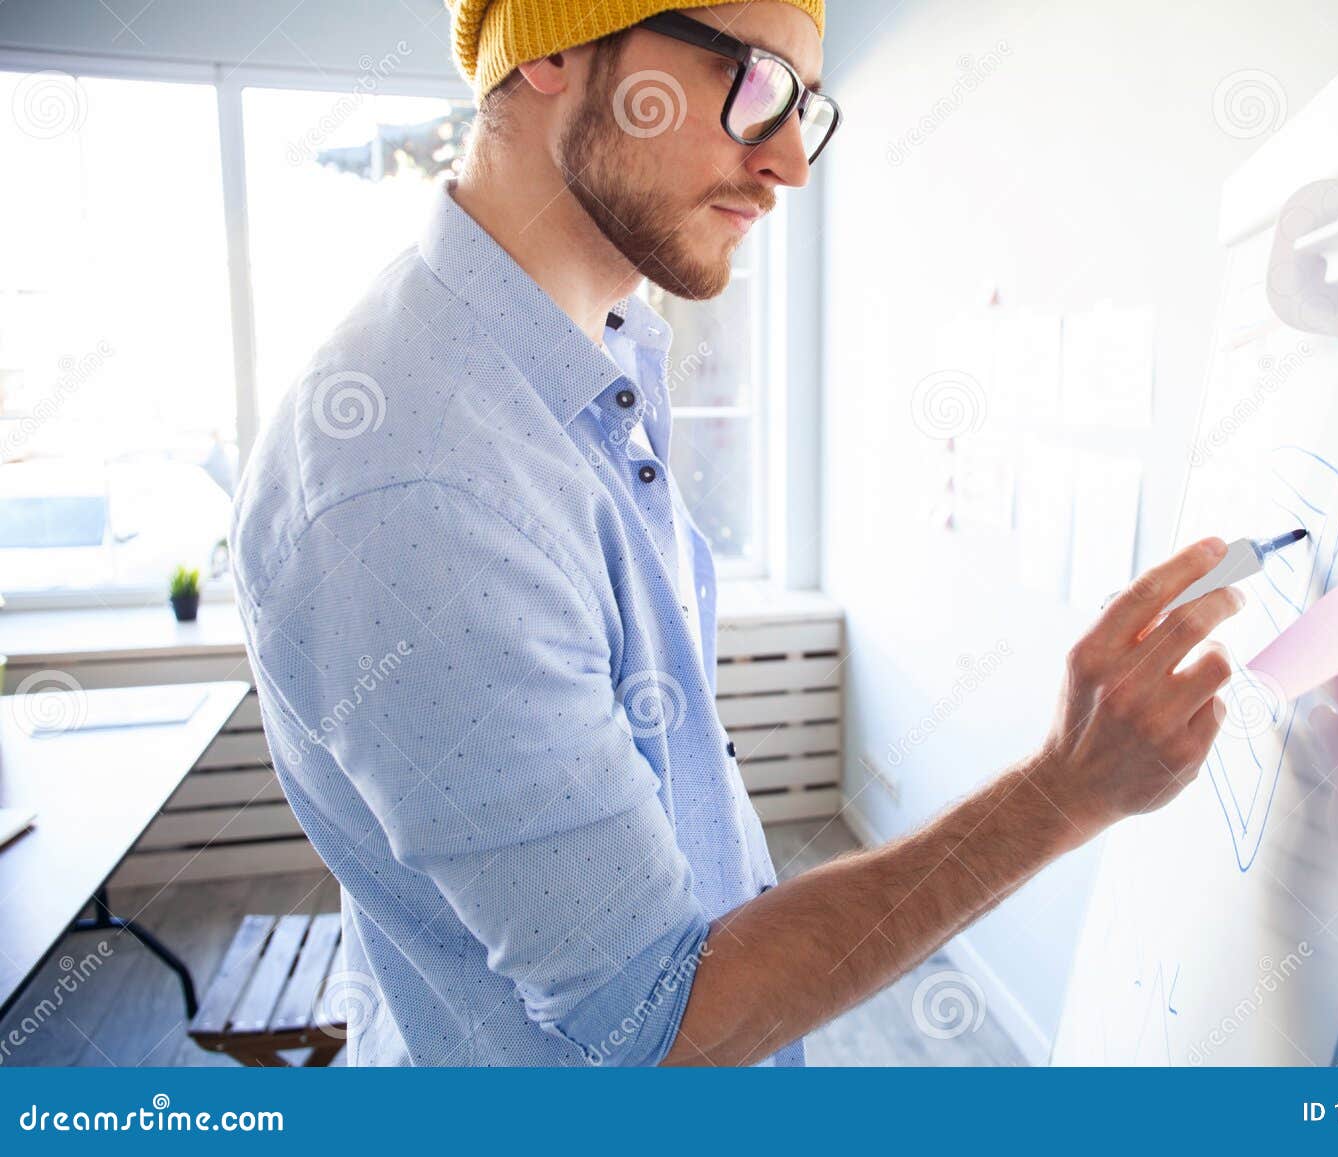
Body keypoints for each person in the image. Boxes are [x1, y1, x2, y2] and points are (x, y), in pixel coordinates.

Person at [230, 0, 1241, 1067]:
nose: (789, 163)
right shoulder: (420, 479)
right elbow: (656, 1026)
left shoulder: (591, 357)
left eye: (806, 108)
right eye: (755, 83)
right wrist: (1061, 792)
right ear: (553, 47)